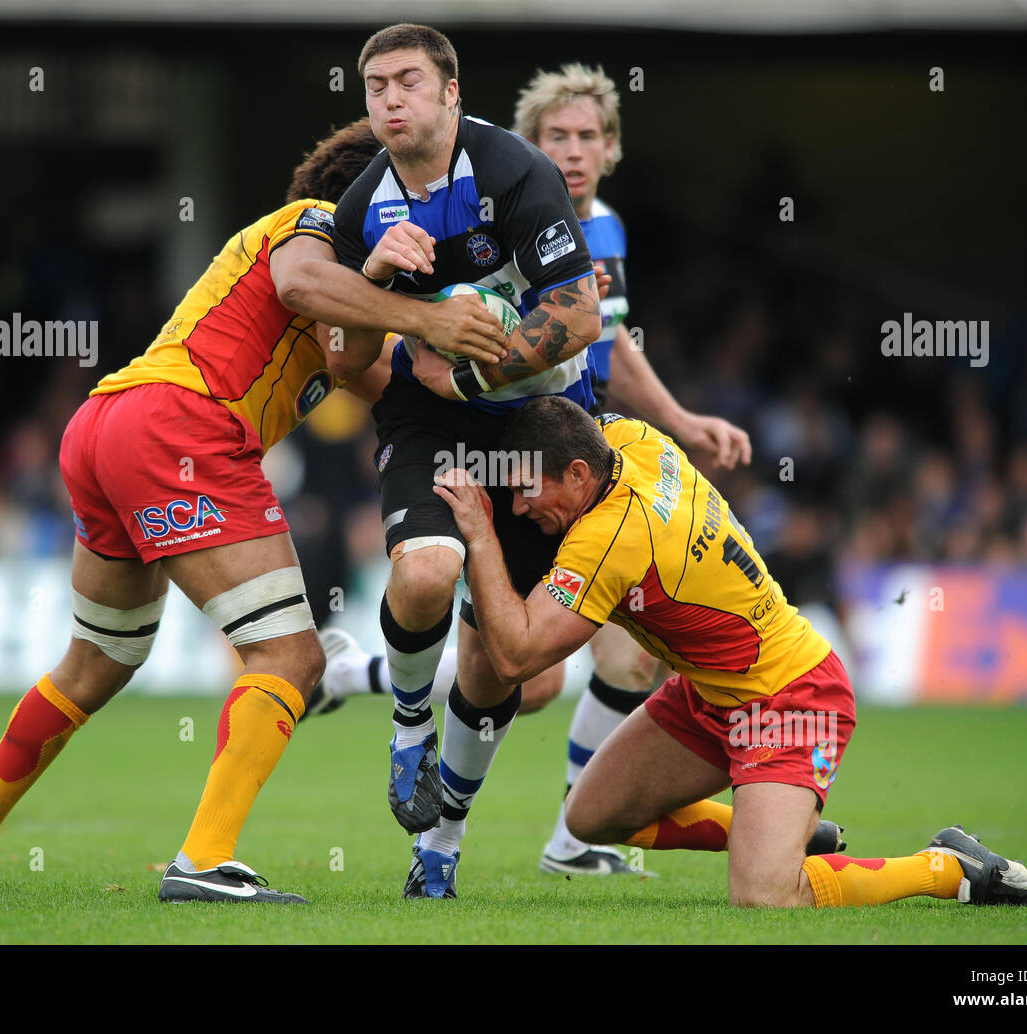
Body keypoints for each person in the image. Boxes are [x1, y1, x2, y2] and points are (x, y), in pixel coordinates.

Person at [0, 119, 507, 904]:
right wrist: (429, 316)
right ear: (376, 198)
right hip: (182, 431)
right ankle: (204, 860)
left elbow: (394, 380)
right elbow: (299, 285)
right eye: (418, 199)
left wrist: (519, 366)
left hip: (108, 428)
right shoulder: (313, 225)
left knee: (97, 663)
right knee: (291, 658)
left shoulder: (352, 300)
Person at [316, 63, 761, 878]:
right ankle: (474, 801)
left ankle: (550, 827)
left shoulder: (602, 230)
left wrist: (679, 417)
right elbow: (359, 349)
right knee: (501, 647)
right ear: (527, 144)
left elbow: (606, 340)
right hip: (484, 428)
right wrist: (413, 362)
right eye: (557, 137)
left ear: (613, 149)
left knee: (542, 669)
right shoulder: (460, 199)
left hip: (563, 438)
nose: (573, 151)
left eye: (588, 137)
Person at [433, 396, 1027, 908]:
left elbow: (514, 658)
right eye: (510, 495)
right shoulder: (629, 437)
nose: (518, 507)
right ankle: (785, 833)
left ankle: (945, 867)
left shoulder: (611, 539)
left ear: (576, 473)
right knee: (588, 817)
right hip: (708, 692)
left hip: (788, 695)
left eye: (527, 491)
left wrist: (483, 536)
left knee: (764, 898)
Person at [328, 23, 604, 898]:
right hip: (424, 416)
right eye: (375, 87)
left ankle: (438, 849)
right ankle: (410, 727)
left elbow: (582, 316)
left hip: (538, 425)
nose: (390, 100)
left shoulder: (515, 171)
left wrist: (473, 368)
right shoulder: (360, 210)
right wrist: (372, 286)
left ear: (451, 91)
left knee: (506, 668)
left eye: (408, 81)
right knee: (422, 576)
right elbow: (345, 364)